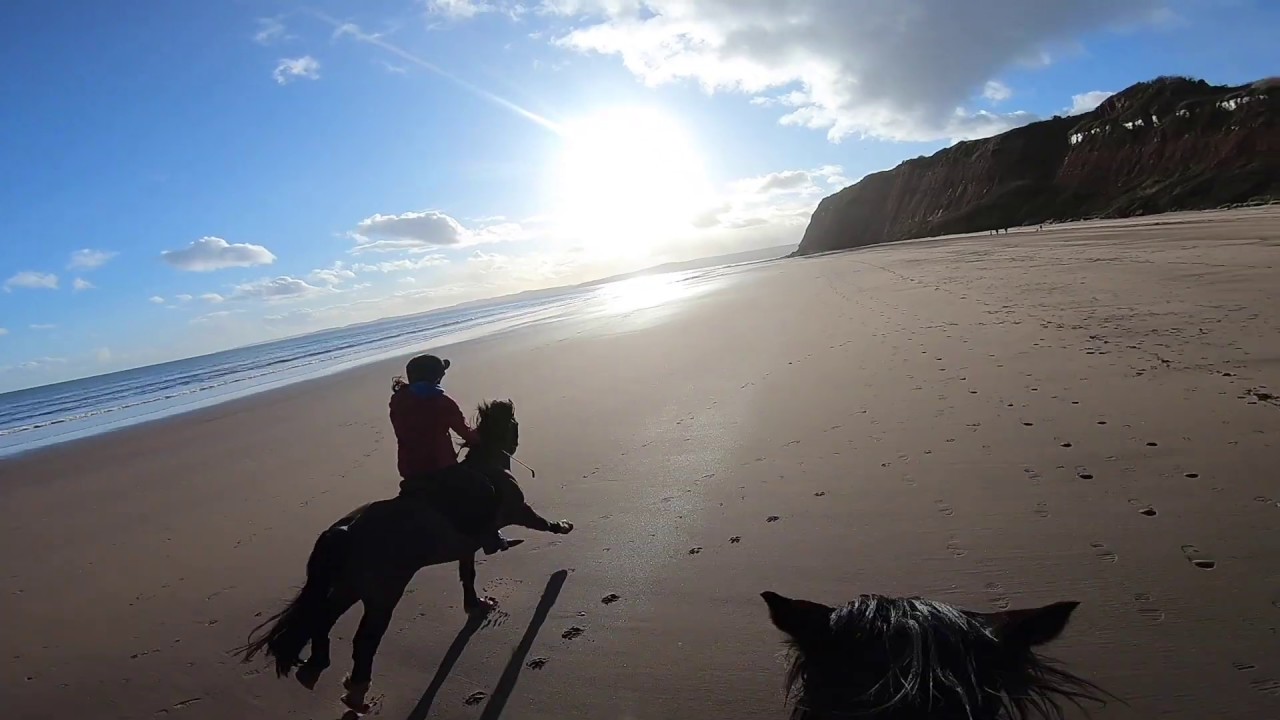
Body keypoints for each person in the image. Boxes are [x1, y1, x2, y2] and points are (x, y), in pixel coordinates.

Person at [389, 354, 508, 554]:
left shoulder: (398, 399)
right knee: (485, 489)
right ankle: (490, 538)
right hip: (440, 468)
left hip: (409, 470)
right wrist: (483, 434)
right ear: (436, 378)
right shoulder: (443, 402)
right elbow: (468, 436)